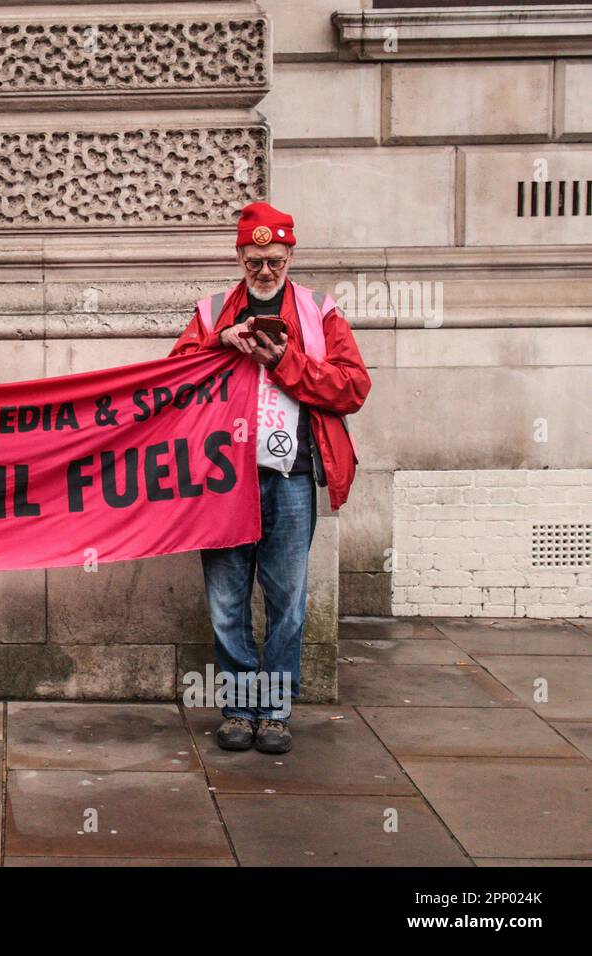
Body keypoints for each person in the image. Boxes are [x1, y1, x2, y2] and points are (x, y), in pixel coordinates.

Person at [169, 202, 370, 754]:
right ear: (239, 255)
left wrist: (285, 360)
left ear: (290, 255)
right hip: (222, 483)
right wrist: (218, 343)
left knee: (288, 602)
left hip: (291, 478)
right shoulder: (211, 312)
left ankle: (275, 712)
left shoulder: (318, 312)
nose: (264, 271)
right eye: (254, 260)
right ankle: (238, 708)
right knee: (227, 603)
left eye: (274, 260)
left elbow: (353, 387)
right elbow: (174, 380)